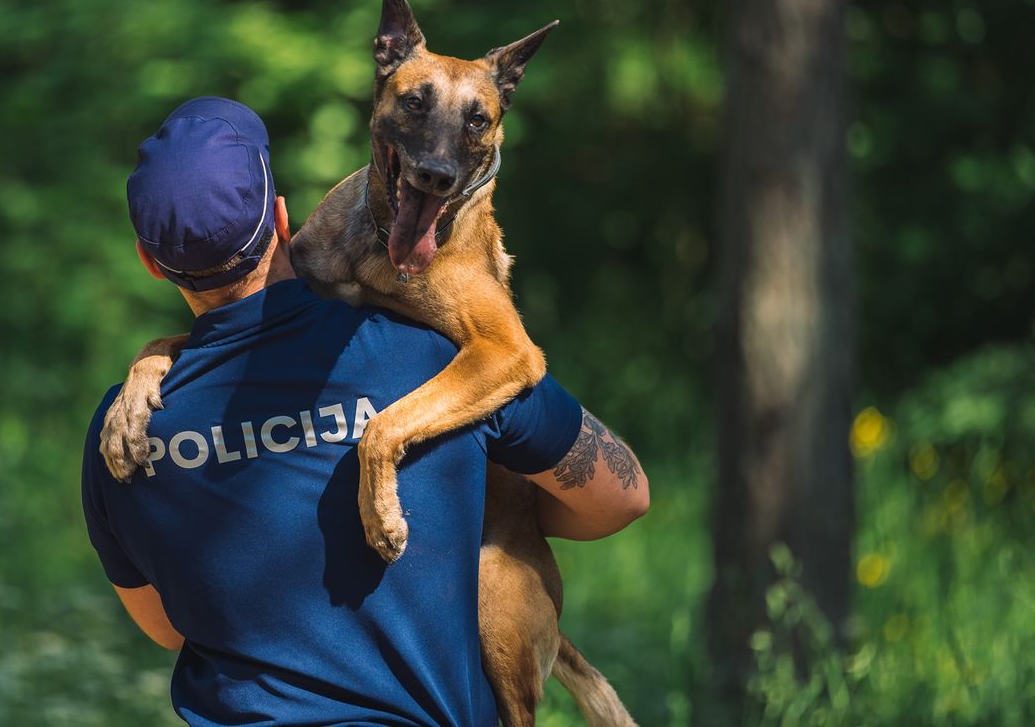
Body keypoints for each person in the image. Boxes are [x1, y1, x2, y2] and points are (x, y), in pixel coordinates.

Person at [81, 97, 649, 726]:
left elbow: (164, 628)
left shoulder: (124, 429)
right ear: (282, 217)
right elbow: (620, 498)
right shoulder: (443, 359)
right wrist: (462, 516)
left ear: (149, 262)